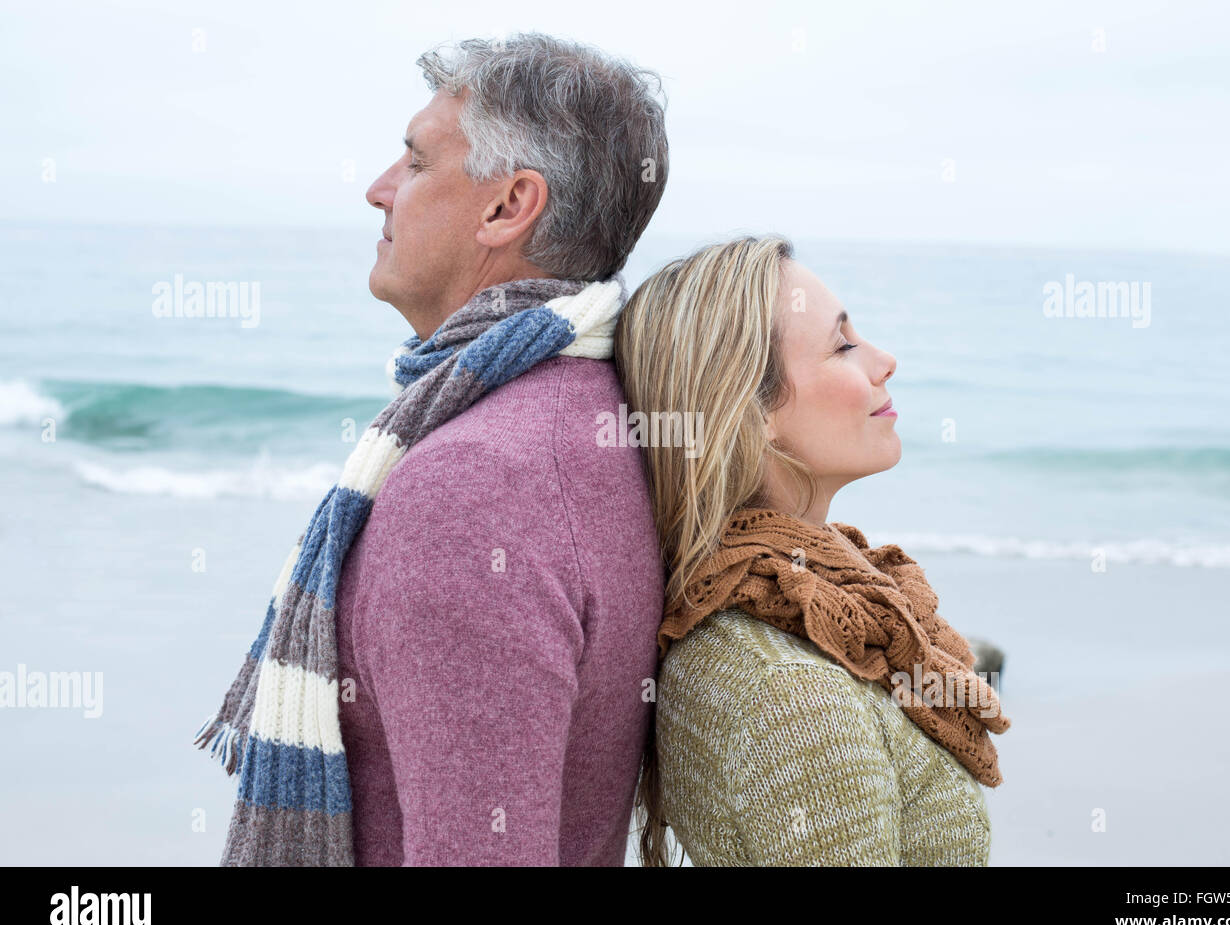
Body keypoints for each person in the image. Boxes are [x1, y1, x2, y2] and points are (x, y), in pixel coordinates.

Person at [195, 32, 670, 866]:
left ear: (506, 206)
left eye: (415, 163)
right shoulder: (595, 414)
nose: (379, 190)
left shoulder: (477, 484)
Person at [613, 235, 1011, 866]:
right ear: (752, 411)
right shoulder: (792, 698)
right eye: (843, 346)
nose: (885, 360)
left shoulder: (803, 611)